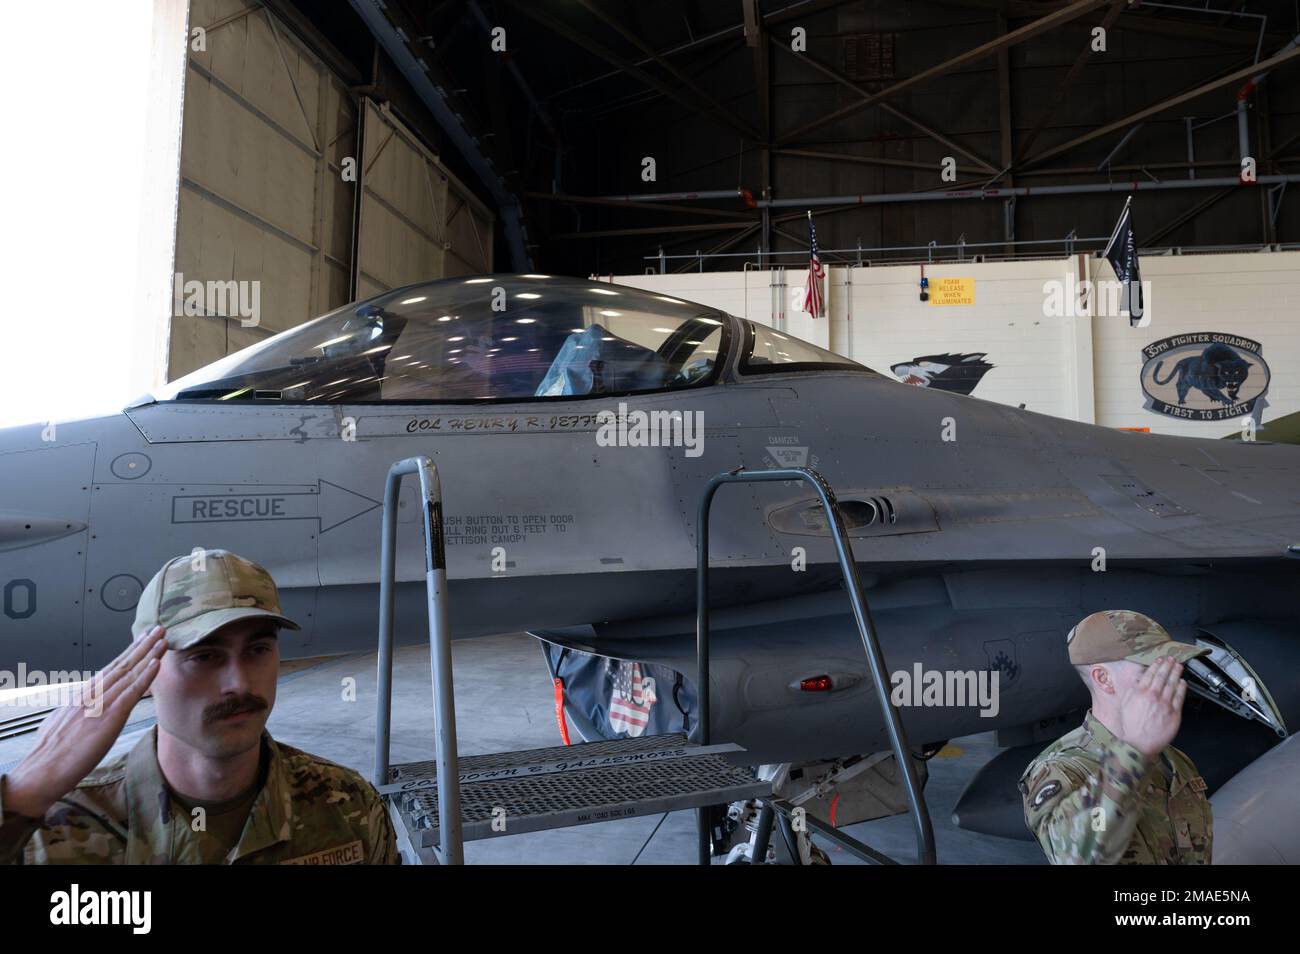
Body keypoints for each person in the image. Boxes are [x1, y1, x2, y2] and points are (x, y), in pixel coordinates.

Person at [0, 549, 399, 864]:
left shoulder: (345, 804)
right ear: (147, 669)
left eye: (258, 650)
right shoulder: (59, 831)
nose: (239, 683)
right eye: (204, 656)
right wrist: (19, 799)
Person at [1020, 609, 1212, 865]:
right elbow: (1077, 856)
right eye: (1151, 673)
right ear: (1104, 679)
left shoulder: (1175, 761)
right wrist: (1136, 749)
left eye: (1171, 670)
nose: (1171, 683)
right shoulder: (1061, 769)